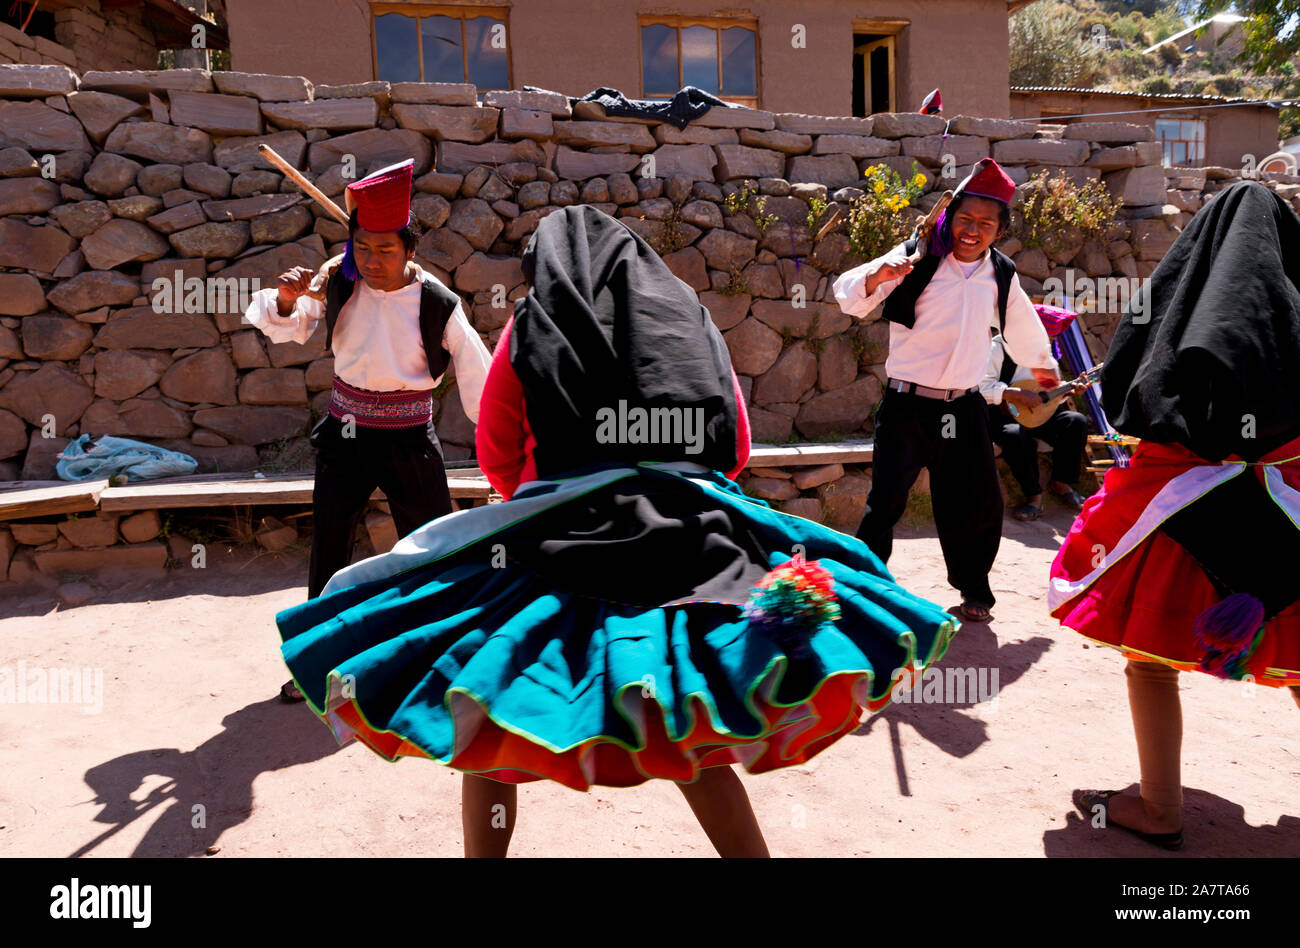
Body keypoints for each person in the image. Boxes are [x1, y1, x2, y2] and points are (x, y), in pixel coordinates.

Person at [273, 205, 961, 858]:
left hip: (558, 534)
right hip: (693, 534)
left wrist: (539, 503)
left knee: (485, 703)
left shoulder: (534, 322)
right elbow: (733, 444)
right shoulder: (688, 319)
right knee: (689, 711)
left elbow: (499, 445)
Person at [1050, 181, 1300, 849]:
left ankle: (1159, 809)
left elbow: (1144, 397)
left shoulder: (1190, 316)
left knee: (1151, 660)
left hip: (1184, 515)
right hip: (1292, 517)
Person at [242, 159, 492, 702]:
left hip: (409, 438)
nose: (372, 261)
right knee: (329, 545)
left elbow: (480, 376)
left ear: (409, 251)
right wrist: (287, 299)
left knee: (431, 548)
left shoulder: (438, 304)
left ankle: (438, 657)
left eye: (385, 250)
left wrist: (505, 442)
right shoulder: (338, 279)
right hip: (346, 433)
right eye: (363, 248)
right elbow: (288, 324)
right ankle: (314, 666)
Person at [832, 157, 1061, 622]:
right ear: (948, 218)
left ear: (999, 230)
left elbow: (1025, 328)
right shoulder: (918, 255)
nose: (973, 230)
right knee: (887, 502)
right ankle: (863, 587)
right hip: (906, 406)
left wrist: (1046, 378)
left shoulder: (1001, 273)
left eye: (986, 223)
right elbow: (848, 294)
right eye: (964, 219)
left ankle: (976, 590)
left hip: (964, 407)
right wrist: (879, 276)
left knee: (976, 502)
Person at [979, 332, 1089, 520]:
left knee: (1075, 422)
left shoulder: (1043, 353)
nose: (1049, 341)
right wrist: (1015, 394)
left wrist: (1068, 391)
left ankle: (1061, 483)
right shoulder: (997, 349)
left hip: (1035, 415)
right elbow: (981, 388)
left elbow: (1048, 392)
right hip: (999, 414)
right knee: (1015, 434)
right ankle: (1034, 497)